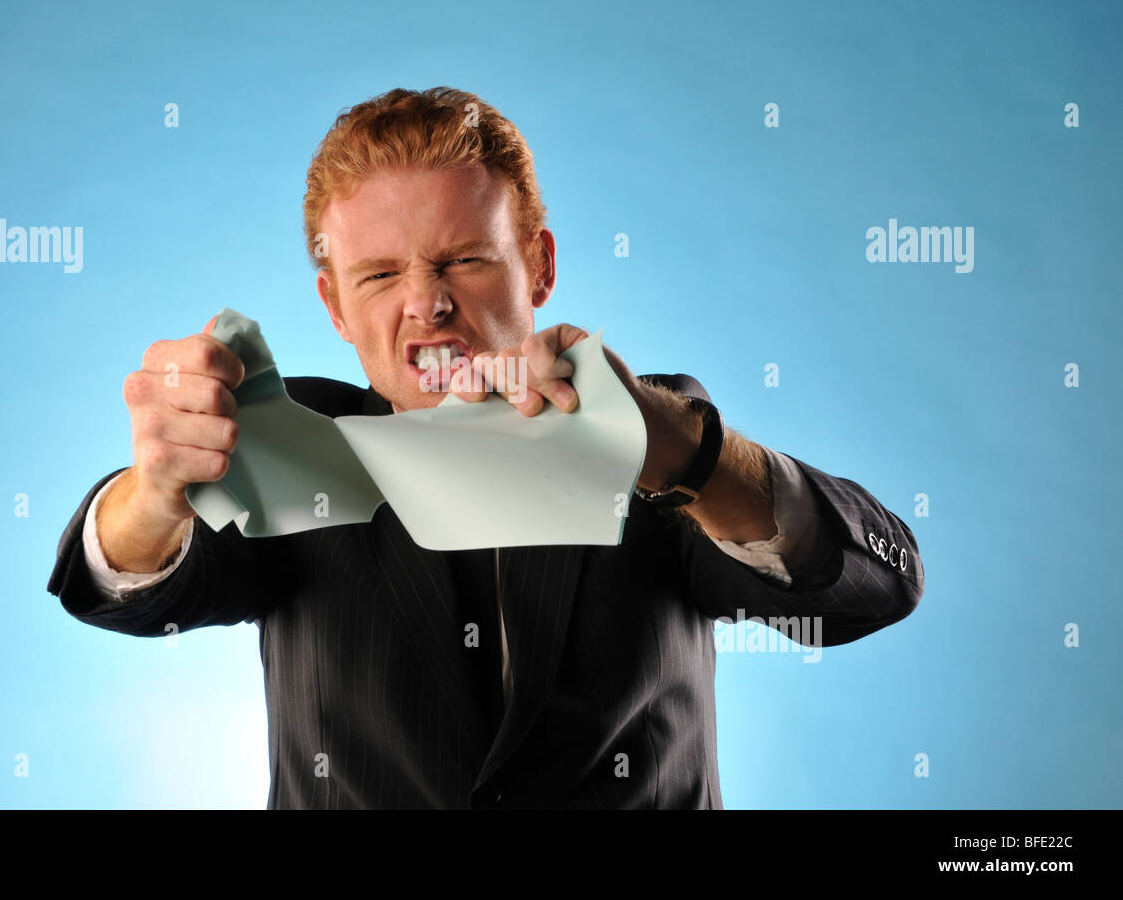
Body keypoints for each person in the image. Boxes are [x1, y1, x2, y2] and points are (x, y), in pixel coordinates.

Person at [46, 86, 924, 809]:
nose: (426, 303)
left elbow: (872, 588)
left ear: (538, 267)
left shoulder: (655, 441)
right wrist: (154, 487)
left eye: (463, 259)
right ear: (335, 307)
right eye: (381, 274)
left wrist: (668, 447)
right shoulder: (294, 445)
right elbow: (127, 589)